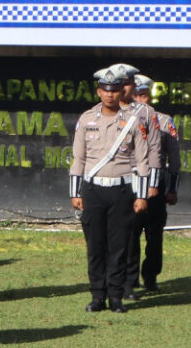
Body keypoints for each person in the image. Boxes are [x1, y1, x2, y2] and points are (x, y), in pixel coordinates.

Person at [69, 69, 151, 313]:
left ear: (121, 92)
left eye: (115, 90)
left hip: (122, 190)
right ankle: (97, 296)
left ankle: (116, 296)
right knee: (95, 246)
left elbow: (142, 161)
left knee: (119, 246)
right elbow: (78, 158)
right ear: (99, 91)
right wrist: (75, 192)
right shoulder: (86, 119)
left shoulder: (133, 120)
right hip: (93, 190)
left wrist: (142, 195)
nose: (110, 94)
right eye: (105, 89)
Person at [126, 75, 180, 295]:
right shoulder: (122, 119)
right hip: (129, 185)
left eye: (143, 95)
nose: (140, 100)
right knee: (129, 236)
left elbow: (173, 157)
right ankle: (129, 280)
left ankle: (150, 277)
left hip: (154, 188)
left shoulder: (164, 121)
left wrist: (172, 188)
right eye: (136, 95)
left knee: (154, 236)